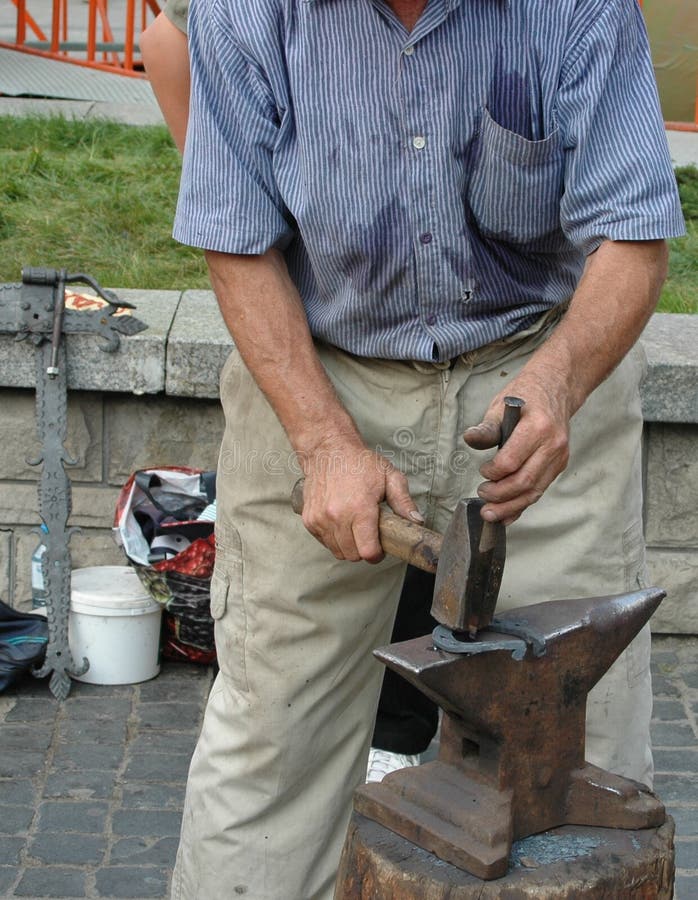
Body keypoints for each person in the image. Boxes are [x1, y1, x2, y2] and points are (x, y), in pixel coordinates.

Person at [157, 0, 685, 896]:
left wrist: (554, 387)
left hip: (540, 356)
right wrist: (323, 442)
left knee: (578, 746)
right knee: (271, 737)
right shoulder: (245, 10)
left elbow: (633, 234)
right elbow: (236, 243)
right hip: (319, 362)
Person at [141, 0, 440, 783]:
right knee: (330, 534)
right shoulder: (243, 16)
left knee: (416, 537)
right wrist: (230, 194)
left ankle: (399, 732)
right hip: (318, 326)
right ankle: (372, 738)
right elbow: (167, 39)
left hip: (476, 325)